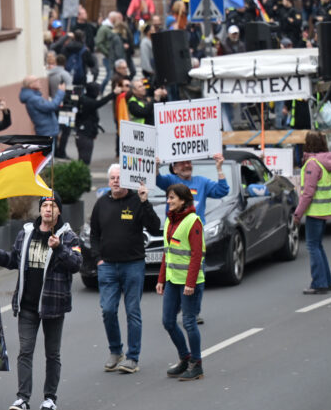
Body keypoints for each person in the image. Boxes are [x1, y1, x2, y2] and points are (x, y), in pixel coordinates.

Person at [0, 193, 81, 410]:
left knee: (52, 354)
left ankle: (50, 398)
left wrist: (59, 248)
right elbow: (14, 259)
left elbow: (76, 264)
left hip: (53, 306)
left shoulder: (68, 237)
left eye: (52, 206)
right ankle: (22, 399)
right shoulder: (26, 233)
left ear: (59, 211)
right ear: (40, 210)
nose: (48, 209)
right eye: (44, 205)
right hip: (27, 305)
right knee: (25, 352)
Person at [89, 165, 161, 373]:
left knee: (132, 312)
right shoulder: (101, 204)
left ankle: (132, 357)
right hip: (108, 266)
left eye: (119, 177)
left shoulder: (137, 201)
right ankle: (115, 351)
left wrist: (145, 201)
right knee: (108, 310)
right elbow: (94, 234)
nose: (115, 181)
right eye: (112, 178)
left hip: (133, 265)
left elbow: (155, 227)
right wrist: (98, 259)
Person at [156, 184, 206, 381]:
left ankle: (197, 364)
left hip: (189, 283)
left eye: (173, 198)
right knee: (168, 321)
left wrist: (190, 283)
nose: (169, 201)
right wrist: (161, 279)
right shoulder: (170, 220)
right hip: (172, 280)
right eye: (168, 198)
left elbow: (196, 255)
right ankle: (185, 358)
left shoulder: (193, 222)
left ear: (183, 200)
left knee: (189, 322)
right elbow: (167, 252)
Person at [293, 132, 331, 294]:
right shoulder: (325, 161)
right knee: (318, 246)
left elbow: (308, 193)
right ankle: (326, 281)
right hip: (324, 209)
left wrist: (298, 214)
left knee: (313, 246)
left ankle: (319, 283)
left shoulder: (312, 164)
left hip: (315, 211)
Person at [155, 153, 229, 221]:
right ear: (174, 169)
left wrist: (219, 168)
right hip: (175, 231)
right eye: (182, 163)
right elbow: (157, 179)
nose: (186, 165)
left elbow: (222, 191)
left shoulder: (202, 182)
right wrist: (155, 166)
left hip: (195, 231)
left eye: (188, 162)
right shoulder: (170, 180)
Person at [74, 83, 115, 165]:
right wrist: (113, 94)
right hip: (85, 135)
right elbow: (100, 103)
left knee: (83, 160)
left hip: (84, 134)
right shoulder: (87, 102)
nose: (98, 93)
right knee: (84, 161)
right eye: (98, 91)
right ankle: (81, 176)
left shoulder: (84, 99)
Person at [19, 75, 66, 140]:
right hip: (46, 133)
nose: (39, 82)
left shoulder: (33, 97)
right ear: (30, 85)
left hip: (47, 132)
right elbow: (52, 106)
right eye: (36, 80)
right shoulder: (34, 99)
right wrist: (60, 92)